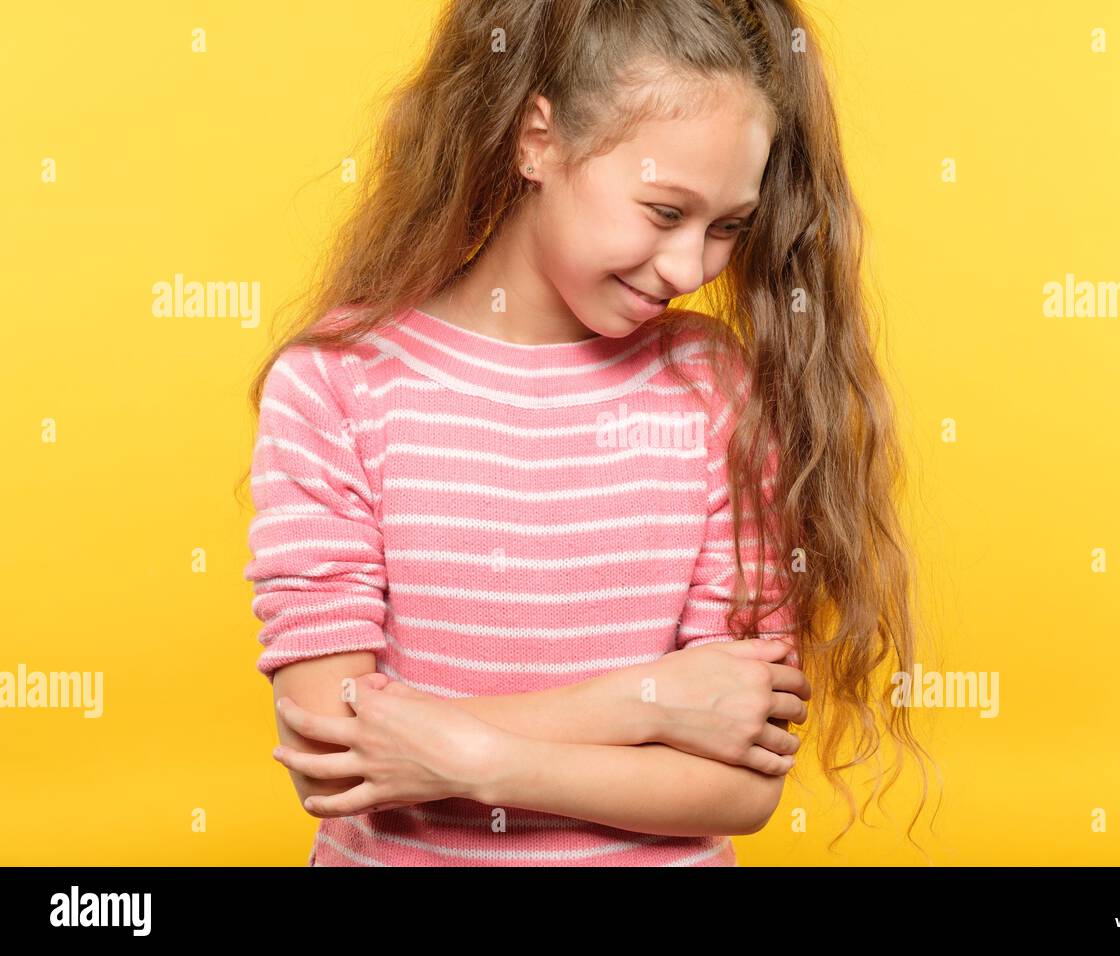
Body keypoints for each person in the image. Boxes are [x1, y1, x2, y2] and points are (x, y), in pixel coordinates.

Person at [240, 0, 928, 866]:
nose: (689, 269)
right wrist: (648, 703)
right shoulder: (337, 384)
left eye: (727, 228)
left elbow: (743, 786)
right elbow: (333, 757)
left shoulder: (717, 388)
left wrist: (480, 759)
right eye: (663, 210)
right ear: (539, 141)